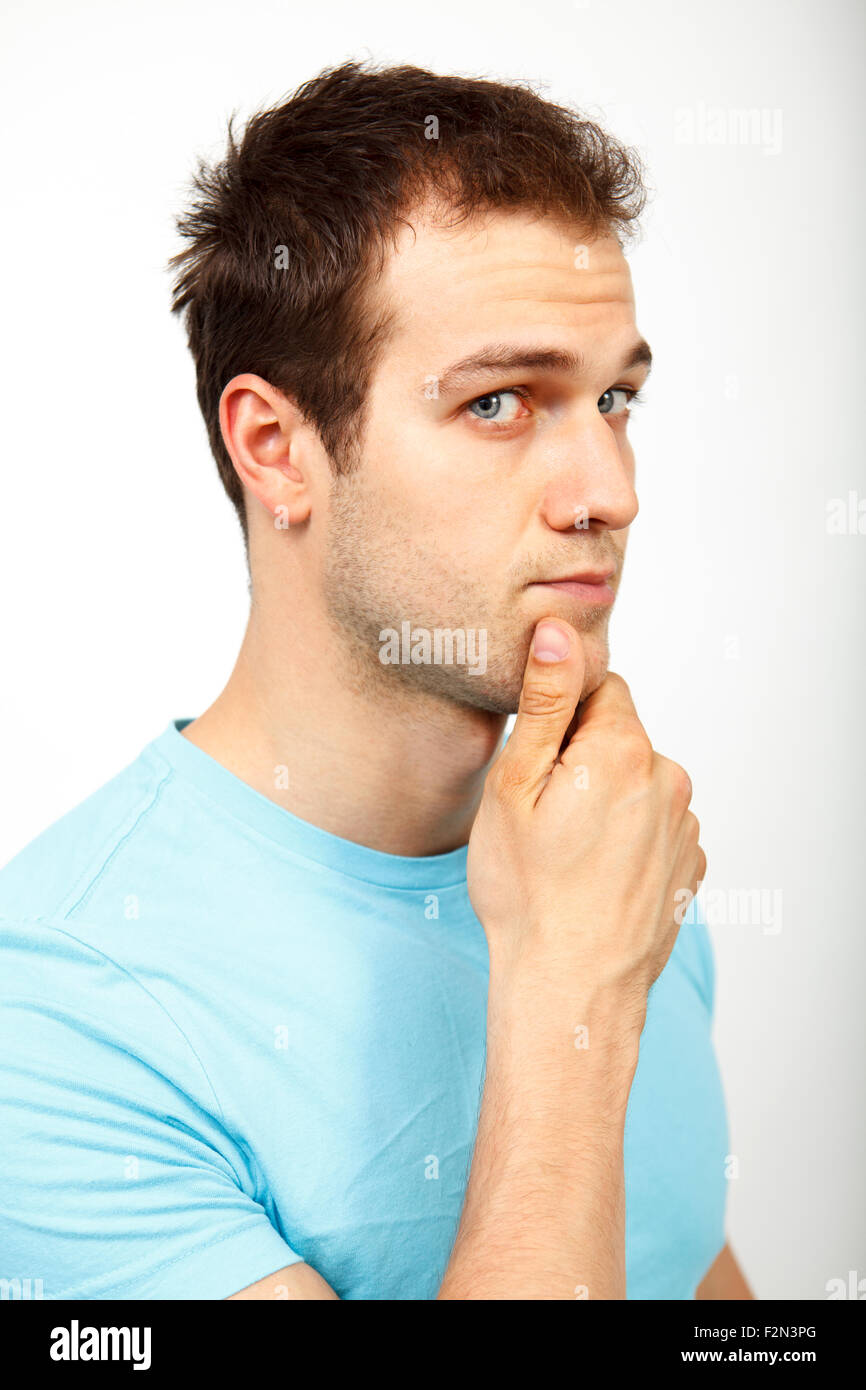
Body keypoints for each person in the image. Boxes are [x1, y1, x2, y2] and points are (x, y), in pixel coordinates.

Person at [0, 59, 752, 1300]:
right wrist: (566, 994)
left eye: (614, 397)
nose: (611, 493)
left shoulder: (608, 850)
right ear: (276, 449)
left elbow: (689, 1281)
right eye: (501, 400)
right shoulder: (60, 1017)